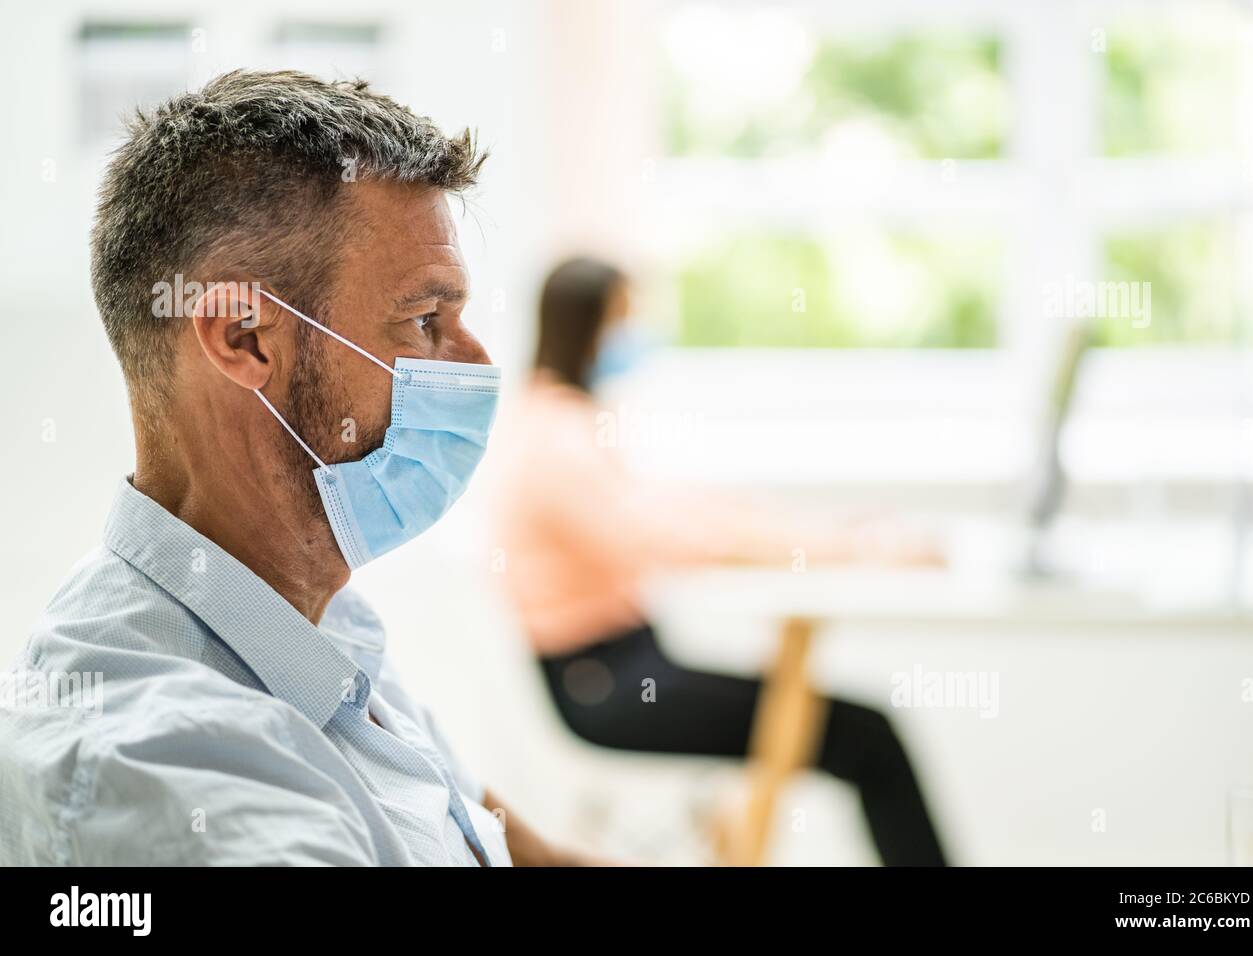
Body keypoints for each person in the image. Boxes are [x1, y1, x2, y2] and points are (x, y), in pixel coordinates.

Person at [0, 70, 585, 867]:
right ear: (244, 338)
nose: (478, 363)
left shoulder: (306, 617)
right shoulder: (168, 766)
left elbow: (512, 849)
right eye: (424, 320)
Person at [495, 257, 948, 866]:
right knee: (863, 735)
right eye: (626, 320)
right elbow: (667, 539)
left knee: (853, 730)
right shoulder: (558, 439)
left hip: (626, 666)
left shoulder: (569, 423)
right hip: (605, 686)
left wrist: (822, 534)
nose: (635, 337)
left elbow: (683, 514)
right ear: (589, 325)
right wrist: (854, 550)